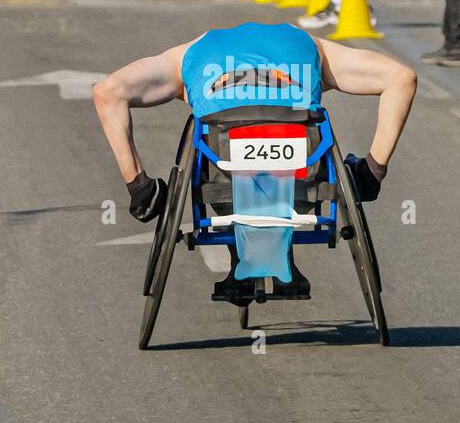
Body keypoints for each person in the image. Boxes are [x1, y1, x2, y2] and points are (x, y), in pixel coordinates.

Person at [91, 22, 415, 300]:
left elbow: (107, 92)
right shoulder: (311, 47)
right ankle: (279, 256)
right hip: (307, 180)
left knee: (214, 140)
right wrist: (373, 171)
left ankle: (243, 263)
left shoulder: (186, 56)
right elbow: (401, 78)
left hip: (223, 184)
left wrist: (140, 188)